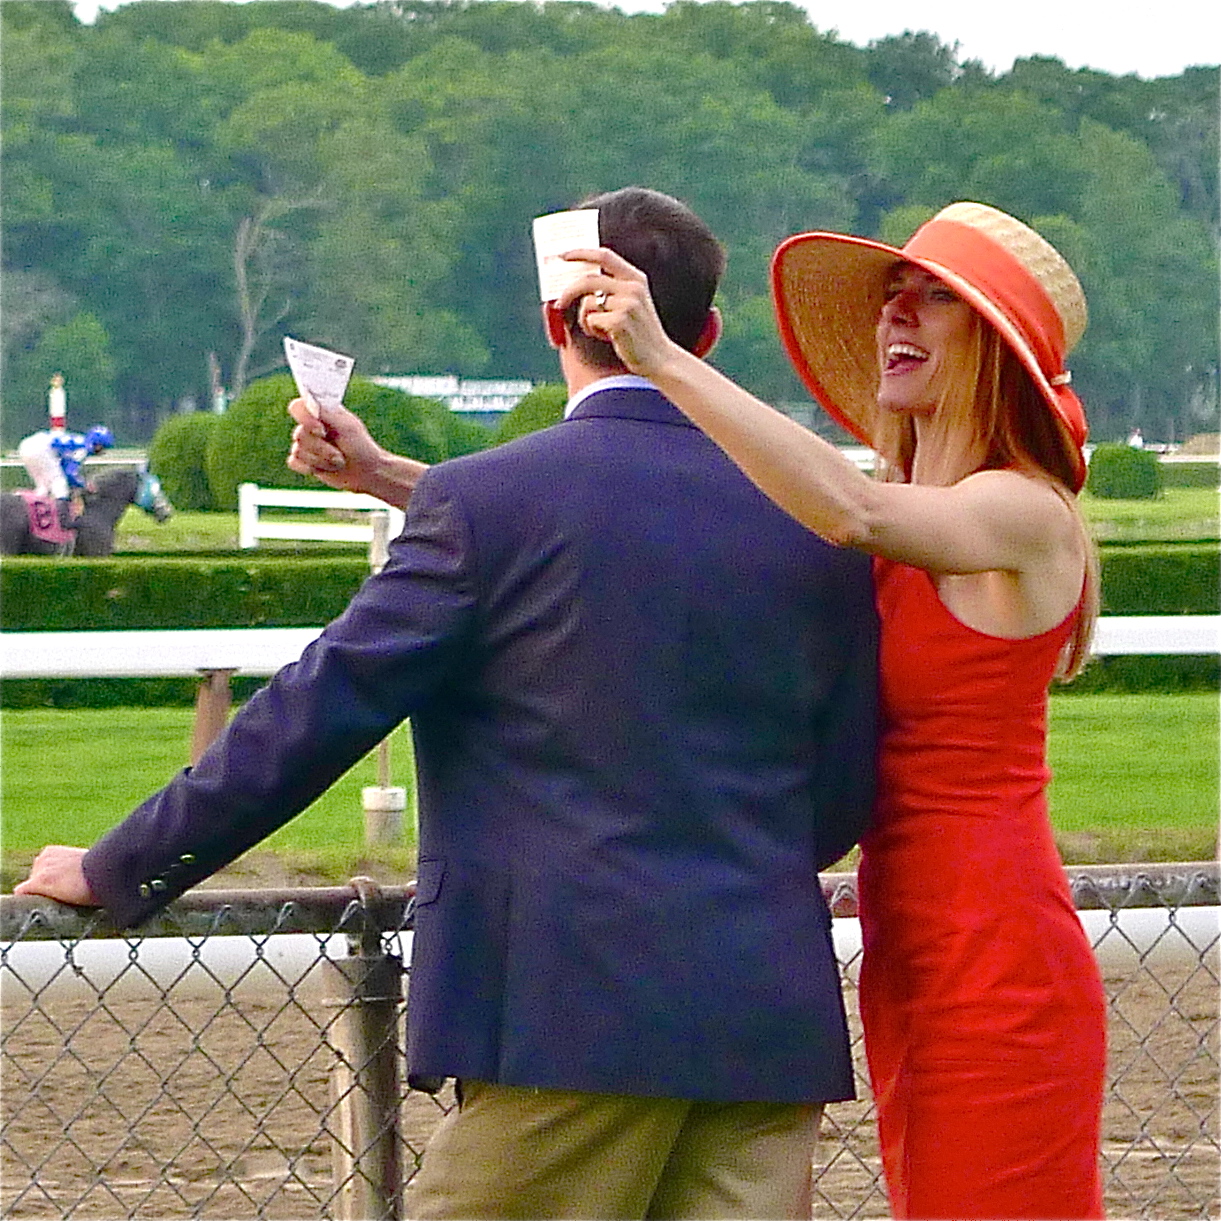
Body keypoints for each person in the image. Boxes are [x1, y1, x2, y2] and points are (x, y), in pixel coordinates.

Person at [17, 187, 879, 1221]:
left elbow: (319, 709)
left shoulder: (485, 502)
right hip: (763, 1017)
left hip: (564, 1021)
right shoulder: (818, 508)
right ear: (710, 330)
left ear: (557, 320)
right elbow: (837, 794)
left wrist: (122, 863)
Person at [557, 200, 1108, 1219]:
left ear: (992, 346)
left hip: (994, 954)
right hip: (911, 939)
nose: (898, 314)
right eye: (892, 296)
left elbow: (847, 510)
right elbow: (660, 528)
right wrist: (396, 482)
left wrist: (663, 358)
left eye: (932, 298)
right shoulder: (911, 505)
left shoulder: (1022, 509)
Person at [18, 423, 115, 513]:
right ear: (96, 444)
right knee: (59, 484)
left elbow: (65, 467)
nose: (101, 451)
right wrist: (84, 485)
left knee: (44, 487)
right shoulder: (83, 448)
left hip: (27, 445)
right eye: (101, 447)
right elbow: (70, 473)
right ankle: (62, 519)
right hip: (41, 448)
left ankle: (29, 508)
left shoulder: (79, 441)